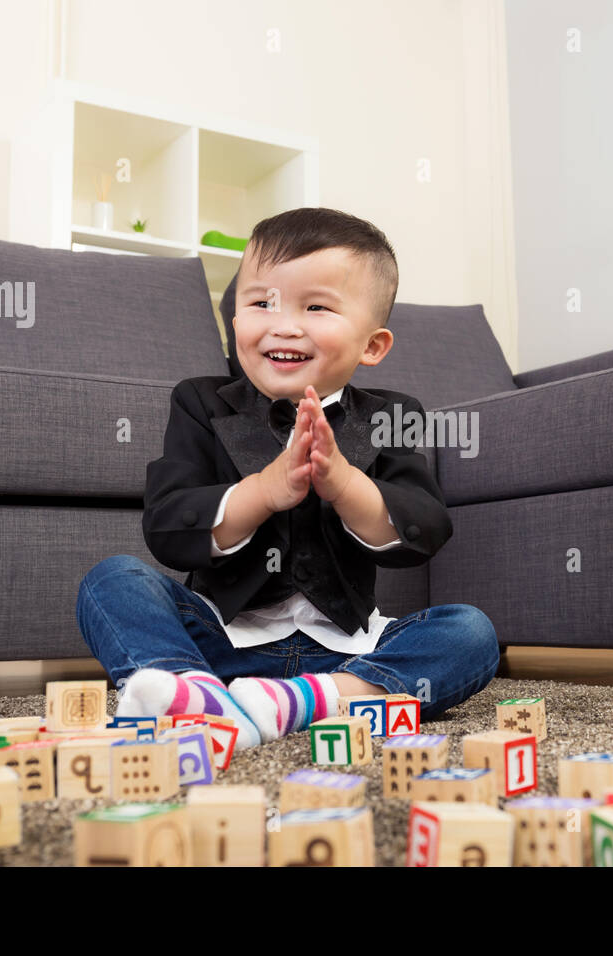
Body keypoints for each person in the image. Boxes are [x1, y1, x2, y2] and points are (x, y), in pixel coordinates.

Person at [75, 206, 500, 748]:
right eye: (261, 303)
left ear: (372, 345)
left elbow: (423, 529)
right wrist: (265, 490)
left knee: (470, 633)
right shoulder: (200, 402)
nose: (283, 324)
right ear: (235, 322)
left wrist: (343, 482)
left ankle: (316, 699)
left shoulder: (393, 413)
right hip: (219, 638)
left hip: (346, 649)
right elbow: (167, 525)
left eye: (316, 306)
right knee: (111, 581)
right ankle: (190, 691)